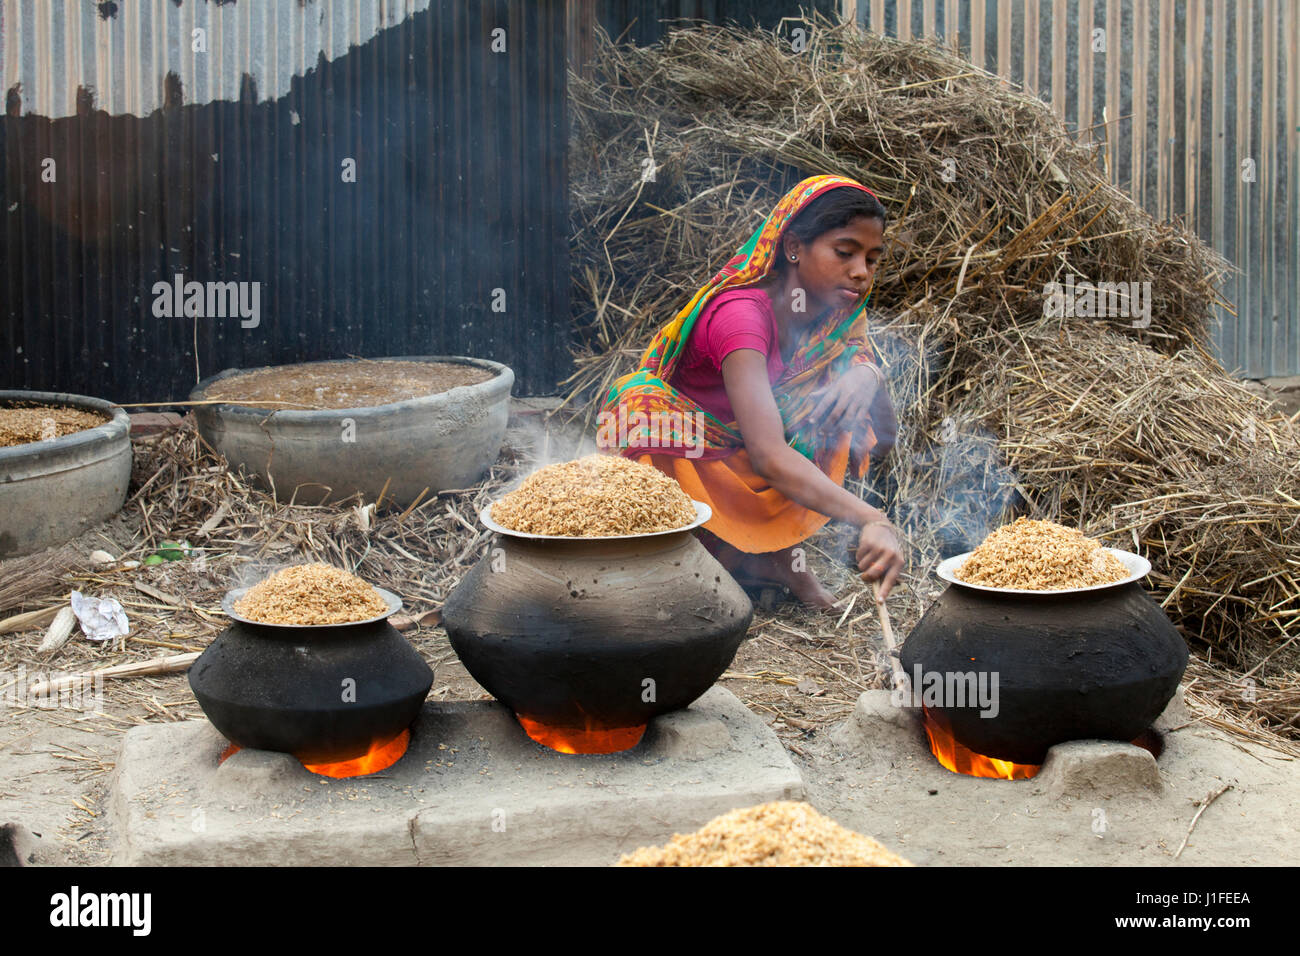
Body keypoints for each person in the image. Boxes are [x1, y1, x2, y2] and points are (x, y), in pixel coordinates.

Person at [596, 173, 904, 609]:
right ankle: (706, 555)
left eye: (873, 259)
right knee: (643, 414)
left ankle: (765, 557)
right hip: (692, 454)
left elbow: (886, 436)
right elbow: (768, 456)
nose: (860, 273)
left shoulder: (834, 316)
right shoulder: (742, 317)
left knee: (829, 411)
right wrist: (872, 518)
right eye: (845, 252)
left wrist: (867, 375)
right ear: (793, 246)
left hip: (745, 448)